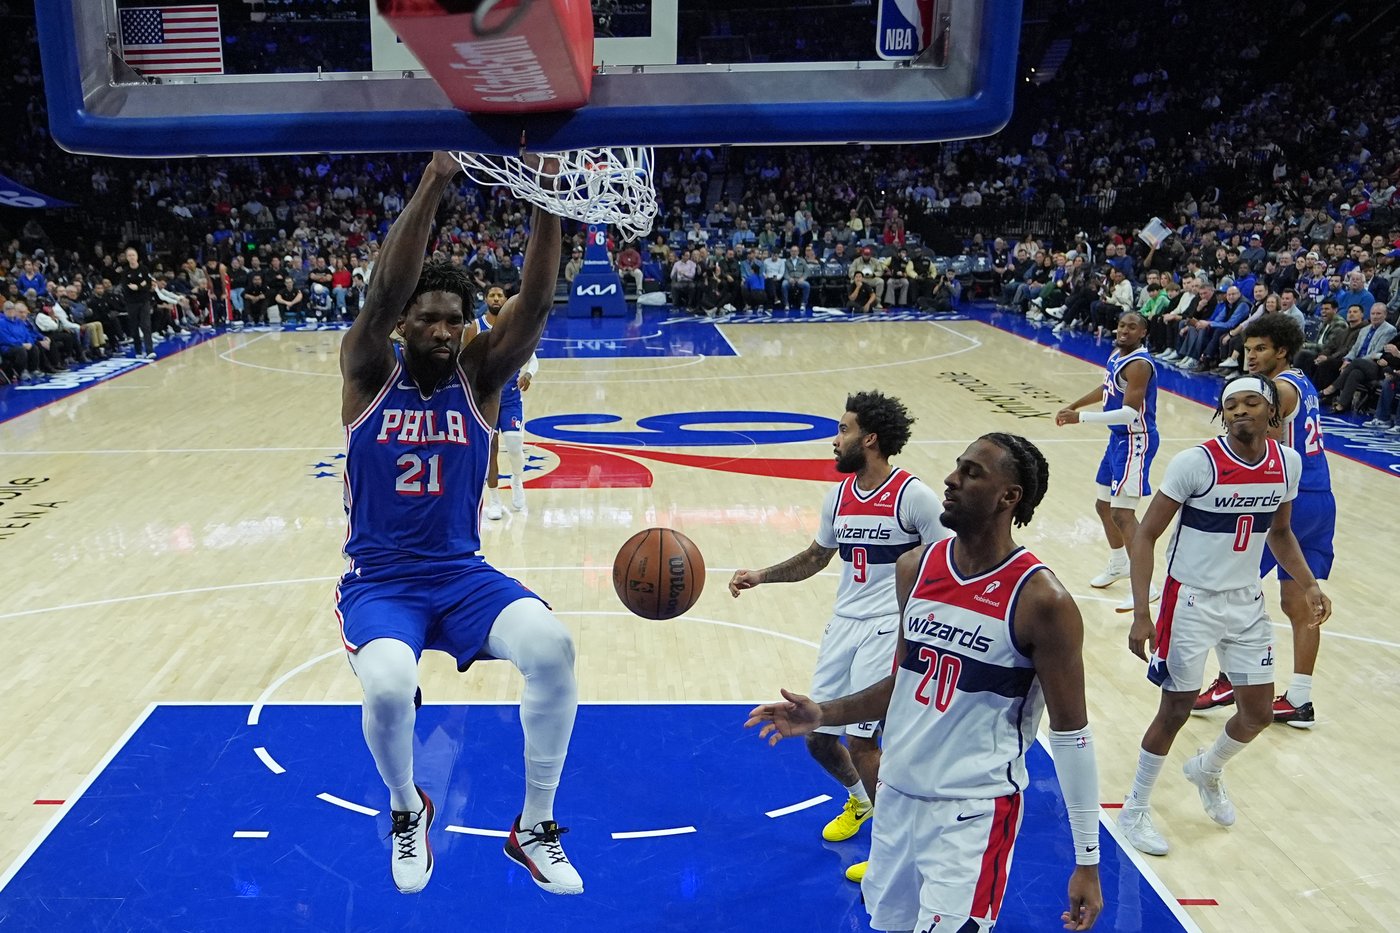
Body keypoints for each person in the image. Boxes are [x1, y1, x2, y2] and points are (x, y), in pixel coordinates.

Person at [334, 152, 580, 896]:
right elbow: (382, 290)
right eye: (428, 318)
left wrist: (546, 196)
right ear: (403, 323)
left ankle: (534, 825)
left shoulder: (481, 377)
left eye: (454, 319)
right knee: (387, 686)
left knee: (553, 647)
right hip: (382, 582)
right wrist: (436, 180)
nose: (443, 330)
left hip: (462, 575)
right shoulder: (369, 368)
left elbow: (535, 304)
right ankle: (407, 807)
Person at [746, 433, 1102, 933]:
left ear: (1009, 496)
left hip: (972, 815)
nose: (951, 480)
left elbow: (1071, 735)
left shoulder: (1042, 600)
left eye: (972, 473)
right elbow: (902, 681)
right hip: (896, 801)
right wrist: (824, 713)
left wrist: (1087, 860)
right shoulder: (915, 568)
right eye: (957, 467)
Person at [729, 392, 947, 884]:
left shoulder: (914, 497)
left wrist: (926, 630)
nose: (834, 439)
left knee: (863, 740)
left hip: (890, 627)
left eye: (844, 430)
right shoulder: (840, 496)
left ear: (870, 439)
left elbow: (949, 564)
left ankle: (892, 849)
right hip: (843, 624)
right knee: (819, 737)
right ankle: (862, 801)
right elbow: (816, 557)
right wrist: (761, 576)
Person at [1119, 375, 1330, 857]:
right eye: (1230, 404)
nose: (1239, 410)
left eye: (1251, 402)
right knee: (1175, 710)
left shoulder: (1287, 463)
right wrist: (1142, 611)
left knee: (1257, 714)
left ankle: (1207, 769)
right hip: (1190, 601)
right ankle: (1134, 808)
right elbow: (1146, 535)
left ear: (1272, 411)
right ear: (1221, 413)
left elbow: (1280, 533)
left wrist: (1309, 584)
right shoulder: (1196, 463)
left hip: (1246, 600)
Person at [1194, 316, 1336, 727]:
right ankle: (1300, 699)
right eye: (1248, 349)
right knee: (1299, 601)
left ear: (1282, 351)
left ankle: (1228, 680)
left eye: (1260, 349)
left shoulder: (1277, 391)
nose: (1251, 356)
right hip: (1320, 497)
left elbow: (1257, 446)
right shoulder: (1302, 382)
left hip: (1288, 500)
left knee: (1226, 586)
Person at [1055, 311, 1161, 612]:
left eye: (1132, 327)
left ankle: (1146, 587)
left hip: (1136, 440)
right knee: (1104, 506)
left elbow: (1129, 413)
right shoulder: (1117, 354)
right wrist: (1075, 405)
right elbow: (1107, 388)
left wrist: (1080, 418)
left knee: (1123, 514)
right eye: (1122, 325)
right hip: (1118, 439)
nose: (1124, 330)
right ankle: (1119, 564)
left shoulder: (1139, 365)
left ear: (1143, 333)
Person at [476, 285, 539, 518]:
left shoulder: (516, 329)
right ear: (485, 299)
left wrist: (528, 374)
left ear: (505, 300)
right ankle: (494, 500)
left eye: (499, 295)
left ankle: (517, 479)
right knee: (490, 450)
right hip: (485, 399)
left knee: (514, 446)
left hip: (511, 398)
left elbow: (532, 359)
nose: (495, 298)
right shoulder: (476, 327)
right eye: (491, 295)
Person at [119, 247, 154, 359]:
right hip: (131, 303)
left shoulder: (144, 269)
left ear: (137, 256)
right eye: (129, 256)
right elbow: (127, 288)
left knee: (146, 325)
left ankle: (149, 351)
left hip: (144, 301)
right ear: (127, 258)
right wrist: (141, 285)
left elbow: (148, 285)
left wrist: (138, 287)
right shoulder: (125, 272)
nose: (132, 257)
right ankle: (138, 351)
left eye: (133, 255)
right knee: (134, 327)